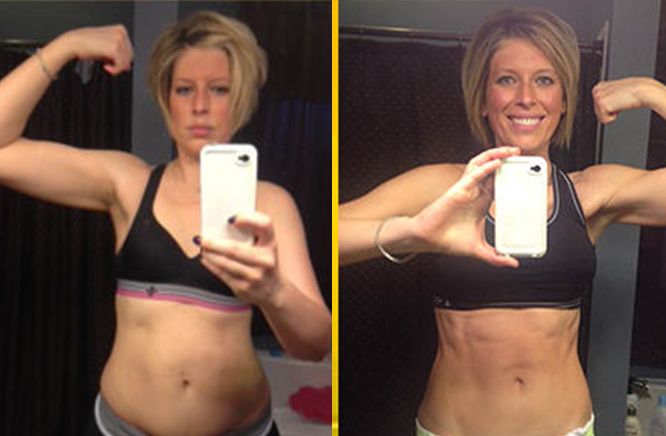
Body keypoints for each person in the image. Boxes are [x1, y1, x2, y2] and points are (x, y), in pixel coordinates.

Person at [0, 10, 331, 436]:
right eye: (184, 89)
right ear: (165, 98)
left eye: (219, 89)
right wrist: (66, 46)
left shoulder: (270, 203)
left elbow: (315, 346)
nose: (199, 106)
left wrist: (273, 293)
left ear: (241, 99)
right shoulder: (127, 183)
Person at [340, 6, 666, 436]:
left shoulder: (591, 194)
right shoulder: (443, 188)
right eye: (507, 79)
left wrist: (650, 92)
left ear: (564, 100)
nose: (526, 97)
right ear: (482, 98)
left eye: (545, 80)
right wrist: (412, 232)